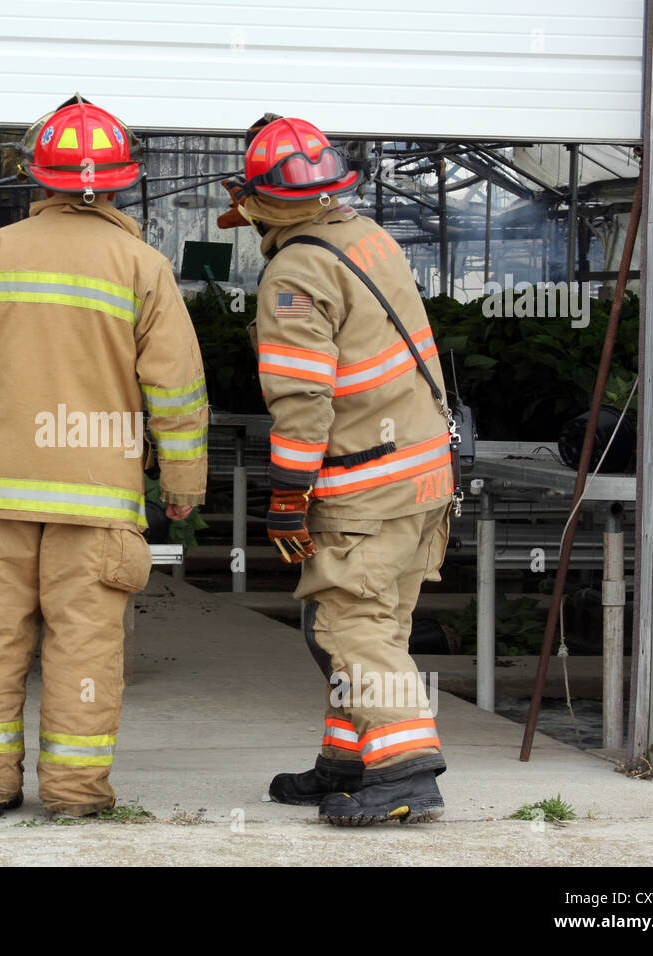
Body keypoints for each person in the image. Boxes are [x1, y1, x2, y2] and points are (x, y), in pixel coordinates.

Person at [0, 96, 208, 818]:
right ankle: (76, 796)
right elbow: (177, 388)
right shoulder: (143, 266)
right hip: (97, 497)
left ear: (35, 176)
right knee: (85, 648)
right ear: (120, 182)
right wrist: (181, 483)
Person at [220, 116, 455, 825]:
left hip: (366, 485)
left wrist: (288, 495)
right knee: (369, 622)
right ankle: (347, 762)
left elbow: (302, 396)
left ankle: (407, 773)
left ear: (261, 198)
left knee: (352, 629)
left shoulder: (296, 269)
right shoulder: (368, 238)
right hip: (423, 478)